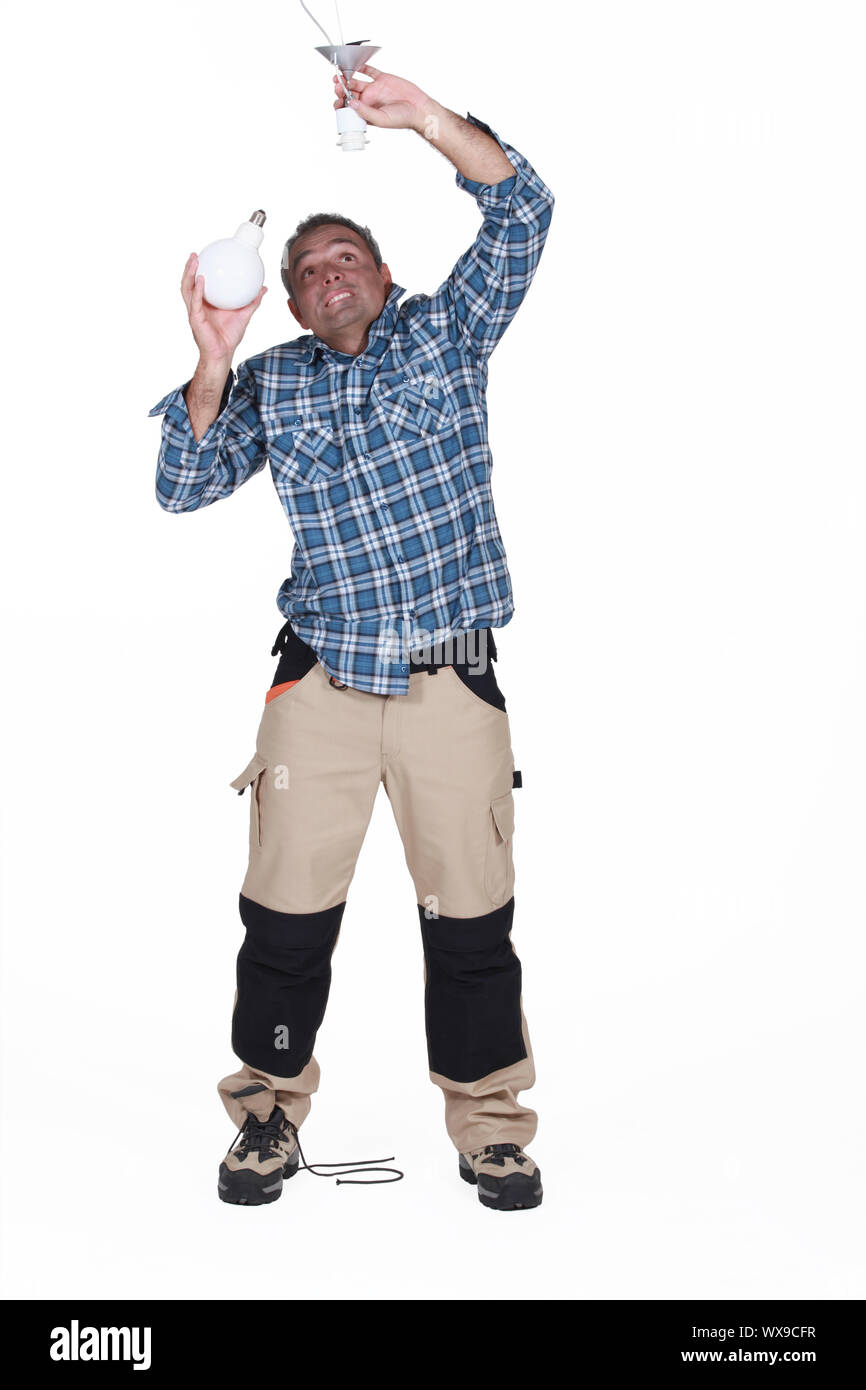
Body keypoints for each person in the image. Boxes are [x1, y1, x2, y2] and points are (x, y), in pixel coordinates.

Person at [148, 65, 554, 1212]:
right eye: (305, 272)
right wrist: (213, 355)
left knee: (471, 922)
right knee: (282, 922)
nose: (326, 276)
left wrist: (423, 119)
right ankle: (266, 1115)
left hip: (447, 686)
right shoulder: (272, 380)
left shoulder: (445, 334)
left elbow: (523, 208)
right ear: (290, 305)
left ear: (381, 275)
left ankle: (491, 1129)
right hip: (319, 687)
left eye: (344, 259)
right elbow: (182, 485)